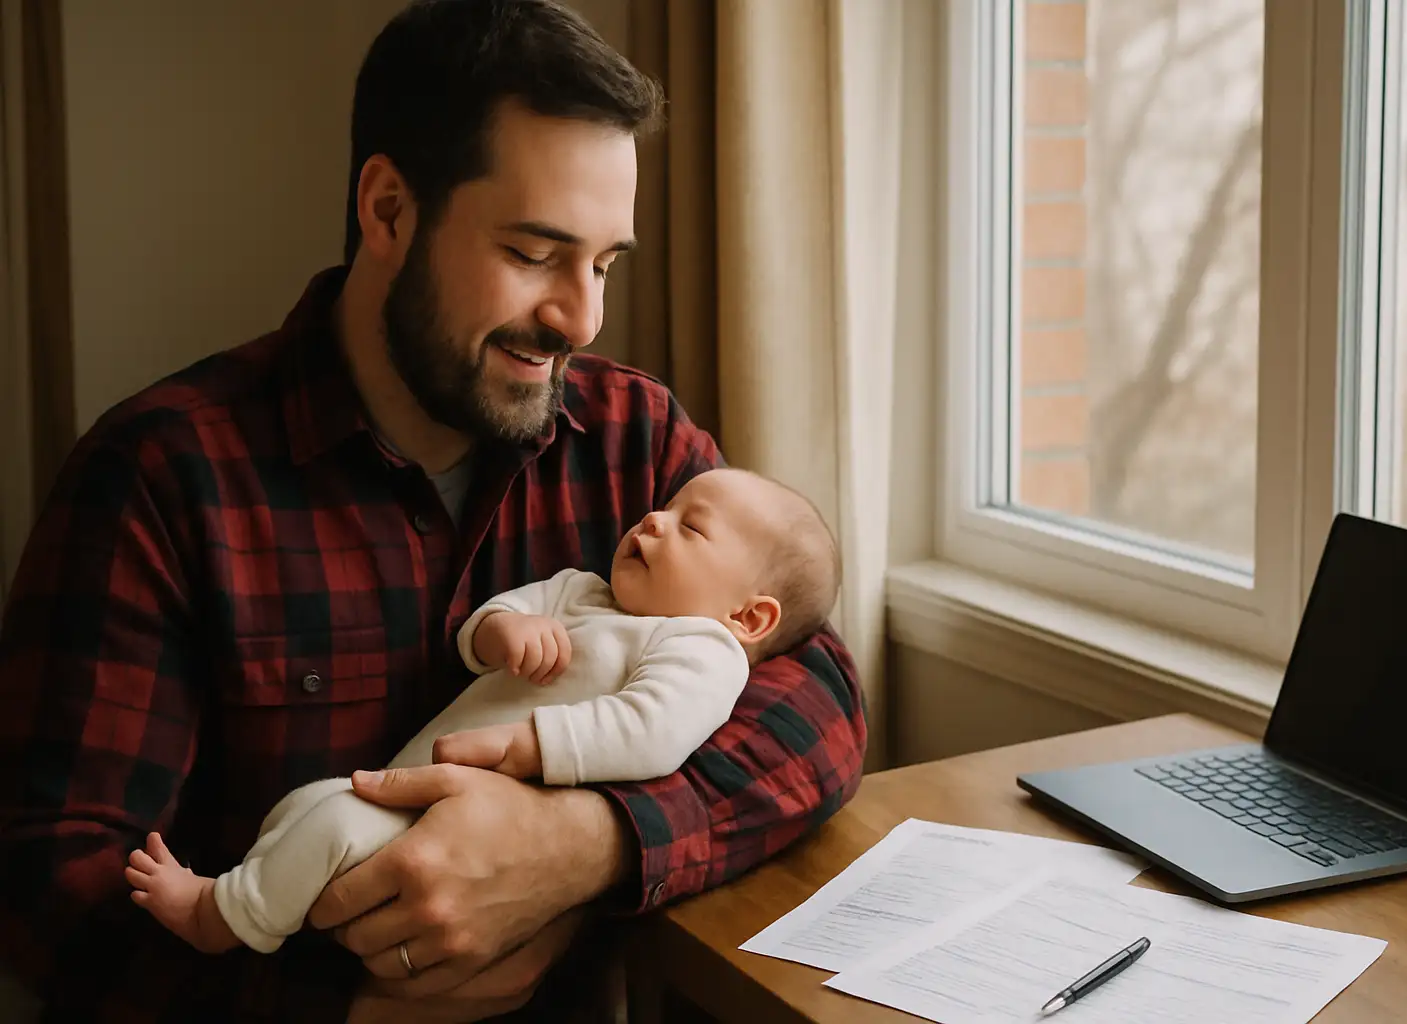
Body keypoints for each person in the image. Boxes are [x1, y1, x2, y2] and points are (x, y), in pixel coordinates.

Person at [0, 1, 866, 1020]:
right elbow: (49, 881)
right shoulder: (161, 479)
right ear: (388, 210)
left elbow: (817, 695)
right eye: (535, 253)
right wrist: (357, 1008)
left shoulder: (635, 440)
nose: (582, 318)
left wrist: (587, 845)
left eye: (603, 264)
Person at [126, 467, 841, 962]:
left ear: (749, 616)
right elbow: (490, 621)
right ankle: (272, 900)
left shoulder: (702, 649)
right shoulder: (583, 592)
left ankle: (223, 917)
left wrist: (532, 745)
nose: (655, 518)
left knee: (333, 825)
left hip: (461, 824)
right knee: (305, 808)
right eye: (666, 507)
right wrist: (502, 632)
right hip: (405, 786)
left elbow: (652, 731)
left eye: (692, 528)